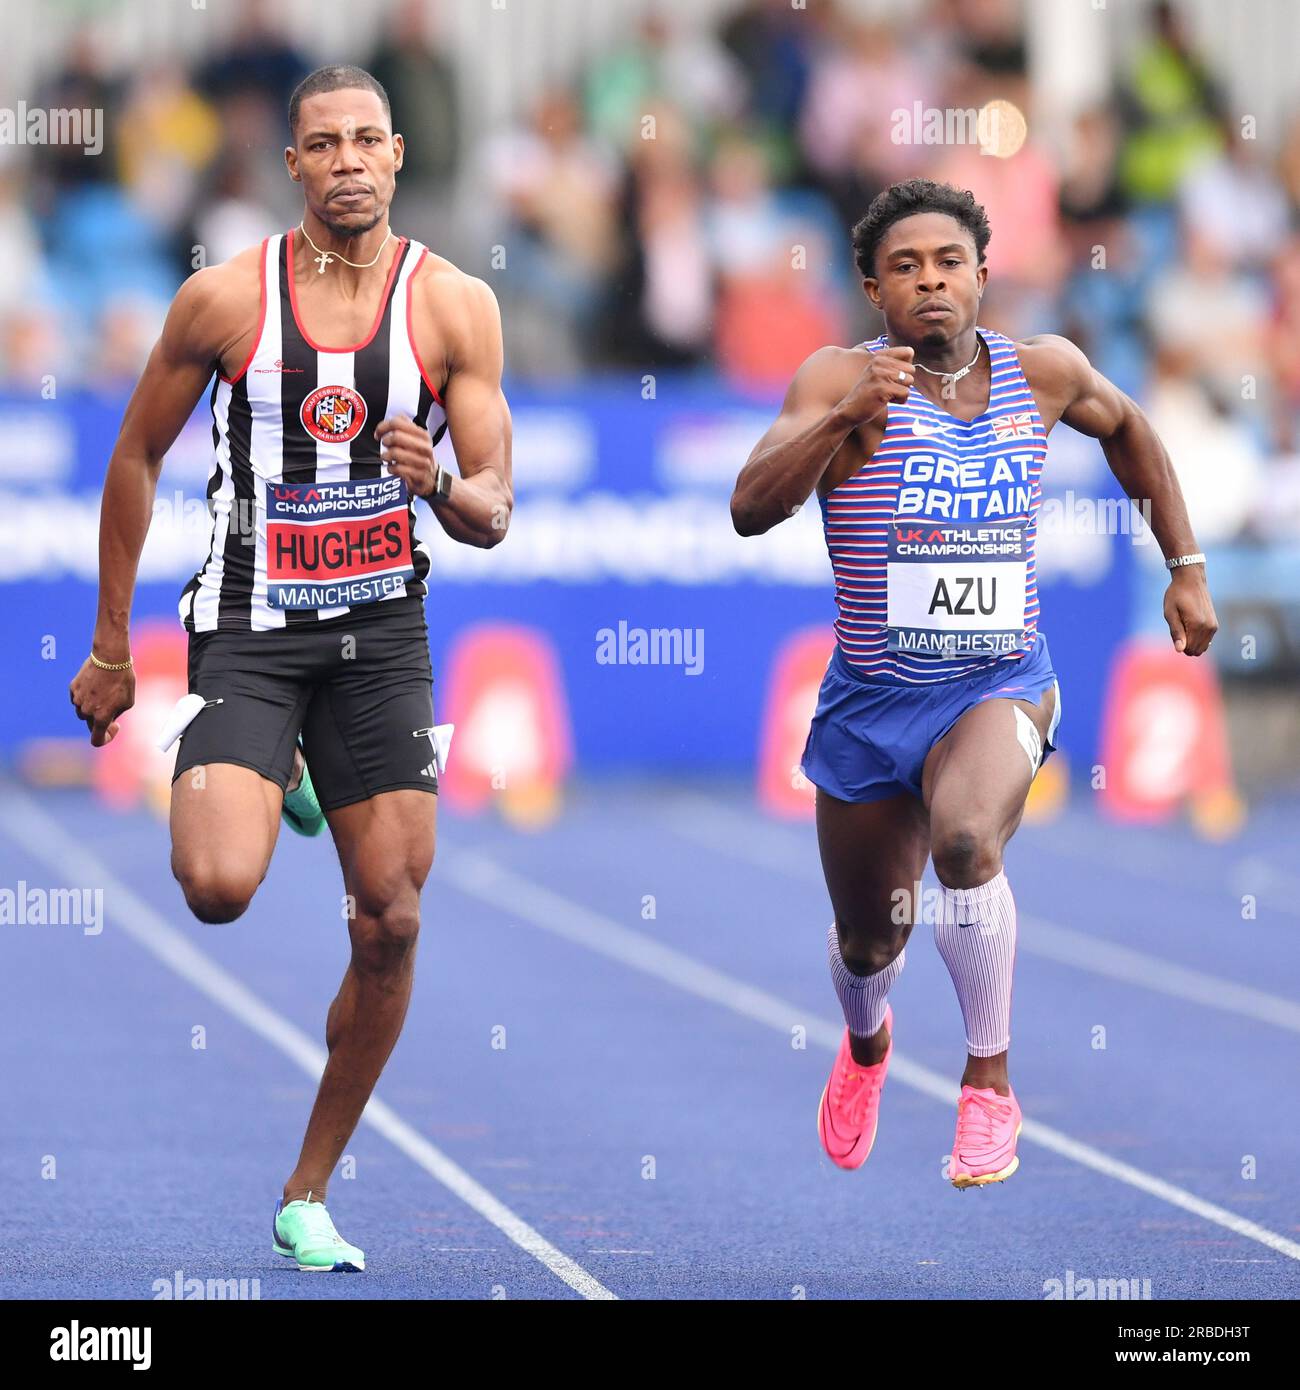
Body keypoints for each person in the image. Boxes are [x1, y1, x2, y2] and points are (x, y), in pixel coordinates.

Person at [68, 65, 513, 1267]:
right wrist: (113, 648)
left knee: (391, 918)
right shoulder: (223, 301)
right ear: (296, 166)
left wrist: (442, 487)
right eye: (326, 143)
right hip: (251, 632)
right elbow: (133, 458)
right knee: (216, 885)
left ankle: (307, 1190)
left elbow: (494, 510)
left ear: (400, 156)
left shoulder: (454, 307)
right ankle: (286, 774)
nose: (350, 160)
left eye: (370, 139)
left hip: (380, 642)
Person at [730, 178, 1215, 1188]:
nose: (930, 282)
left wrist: (1184, 565)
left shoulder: (1041, 372)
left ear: (984, 275)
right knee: (870, 940)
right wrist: (841, 422)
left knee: (963, 844)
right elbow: (748, 506)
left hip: (998, 682)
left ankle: (987, 1084)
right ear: (874, 290)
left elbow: (1128, 430)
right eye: (904, 268)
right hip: (869, 705)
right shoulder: (836, 378)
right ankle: (866, 1046)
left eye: (948, 262)